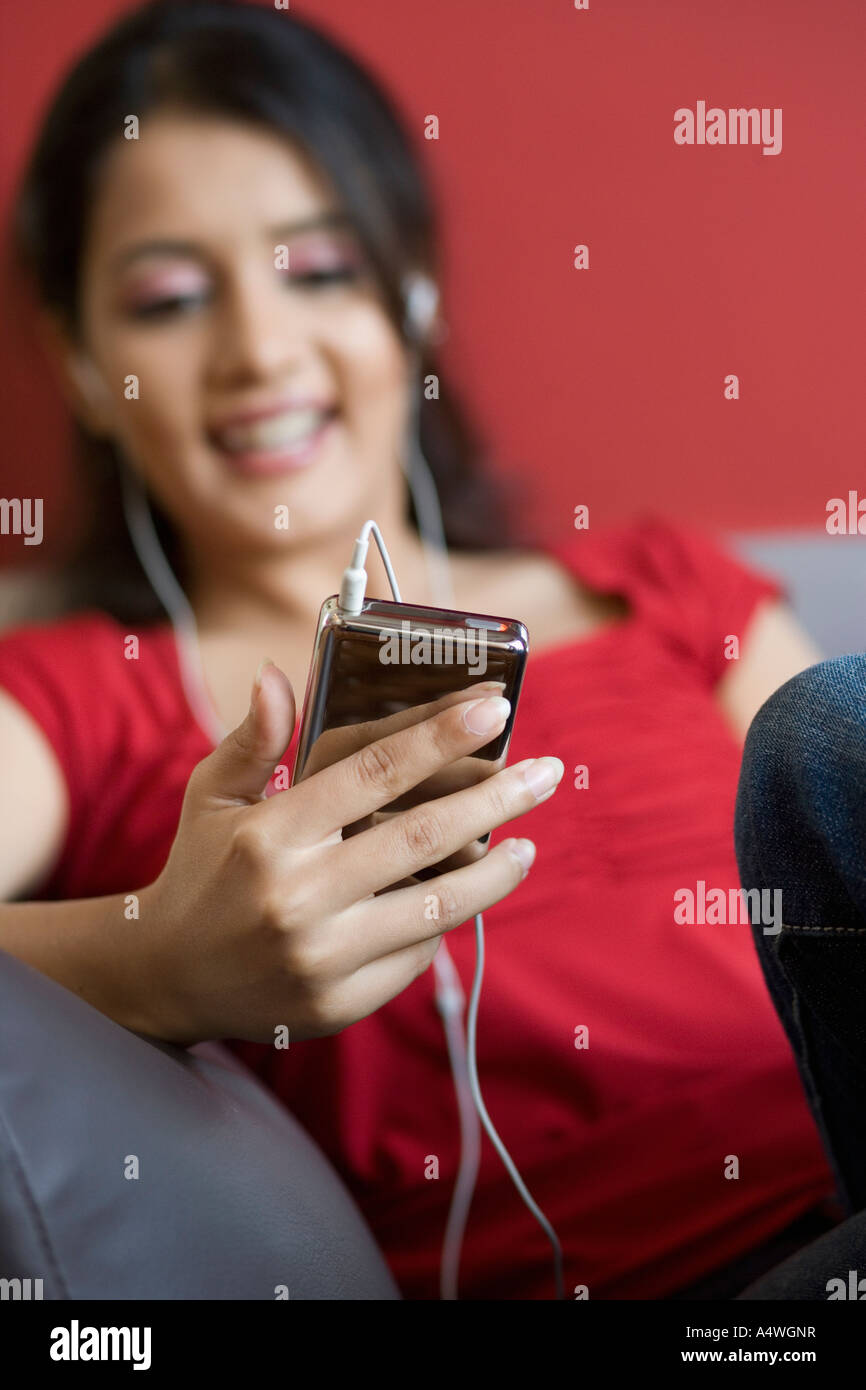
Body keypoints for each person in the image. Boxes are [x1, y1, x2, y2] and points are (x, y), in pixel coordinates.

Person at [0, 0, 837, 1299]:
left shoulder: (665, 589)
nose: (260, 350)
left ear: (410, 292)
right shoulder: (68, 698)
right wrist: (149, 962)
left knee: (823, 731)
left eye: (319, 269)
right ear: (79, 354)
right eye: (167, 298)